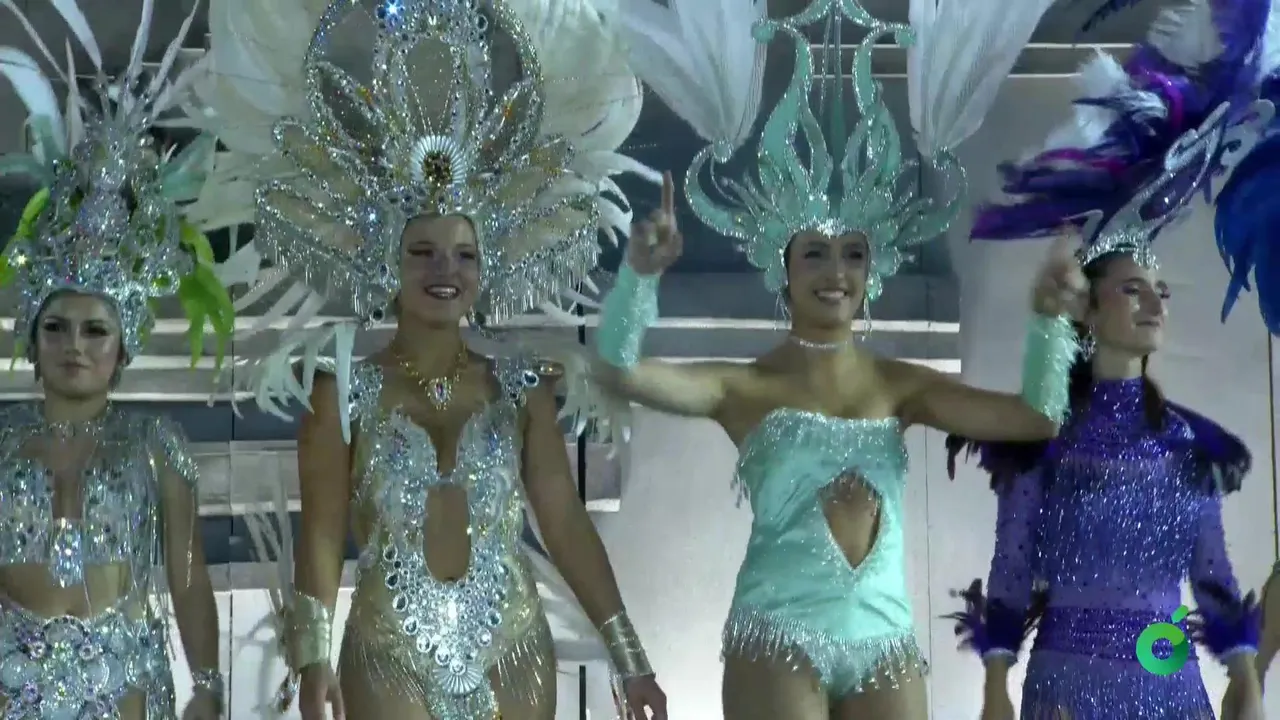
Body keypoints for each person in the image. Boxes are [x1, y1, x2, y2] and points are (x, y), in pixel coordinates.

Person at [589, 4, 1085, 719]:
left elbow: (1037, 418)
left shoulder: (901, 385)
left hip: (885, 642)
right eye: (815, 253)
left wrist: (1049, 319)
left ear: (870, 274)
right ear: (783, 270)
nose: (836, 271)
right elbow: (617, 372)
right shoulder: (743, 386)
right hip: (777, 638)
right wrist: (638, 278)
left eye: (853, 254)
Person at [191, 0, 668, 717]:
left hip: (514, 654)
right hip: (387, 655)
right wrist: (313, 655)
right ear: (390, 261)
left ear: (485, 268)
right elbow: (319, 531)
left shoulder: (520, 388)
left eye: (464, 254)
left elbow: (565, 524)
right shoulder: (342, 392)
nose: (445, 270)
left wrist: (630, 659)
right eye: (423, 251)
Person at [945, 1, 1279, 718]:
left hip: (1170, 685)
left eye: (1160, 291)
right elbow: (1011, 564)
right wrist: (996, 686)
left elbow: (1213, 573)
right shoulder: (1043, 436)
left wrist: (1245, 673)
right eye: (1133, 290)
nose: (1155, 303)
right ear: (1090, 312)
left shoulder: (1187, 443)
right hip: (1067, 686)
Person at [0, 0, 235, 717]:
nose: (75, 343)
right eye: (57, 327)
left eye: (95, 330)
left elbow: (187, 574)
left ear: (123, 347)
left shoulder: (156, 444)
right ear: (31, 342)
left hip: (126, 682)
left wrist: (208, 684)